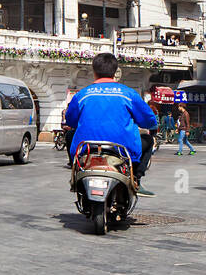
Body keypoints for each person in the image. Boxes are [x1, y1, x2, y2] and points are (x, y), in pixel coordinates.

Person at [65, 52, 159, 194]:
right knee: (148, 140)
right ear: (115, 72)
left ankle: (76, 172)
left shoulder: (82, 95)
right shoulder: (128, 94)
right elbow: (149, 120)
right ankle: (136, 179)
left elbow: (70, 120)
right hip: (123, 150)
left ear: (94, 71)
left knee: (70, 135)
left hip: (86, 148)